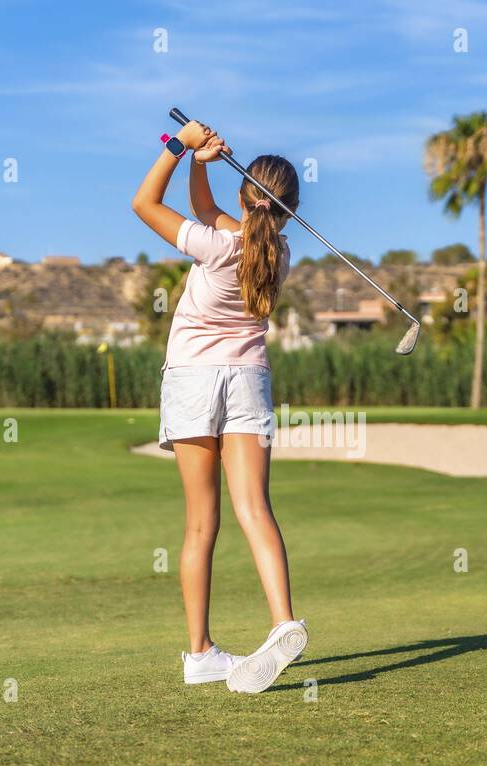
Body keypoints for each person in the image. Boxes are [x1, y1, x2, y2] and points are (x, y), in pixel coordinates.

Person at [132, 118, 308, 694]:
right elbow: (209, 210)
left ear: (245, 195)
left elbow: (143, 203)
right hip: (248, 381)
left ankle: (200, 651)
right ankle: (283, 620)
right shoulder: (279, 255)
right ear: (288, 211)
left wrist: (175, 149)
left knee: (200, 523)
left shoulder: (215, 248)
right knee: (255, 508)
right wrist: (203, 164)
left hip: (192, 381)